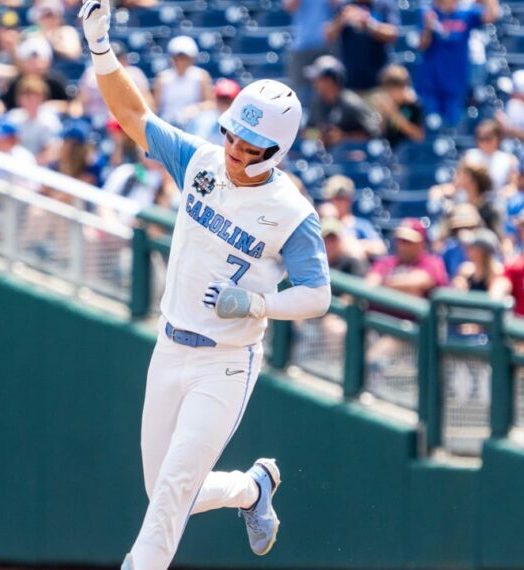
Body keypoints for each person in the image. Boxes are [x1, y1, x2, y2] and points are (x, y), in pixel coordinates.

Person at [79, 0, 331, 566]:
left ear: (279, 151)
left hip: (225, 361)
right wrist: (101, 48)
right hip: (171, 346)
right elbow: (133, 115)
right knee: (163, 491)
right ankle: (250, 488)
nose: (238, 152)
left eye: (251, 147)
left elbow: (318, 295)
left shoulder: (291, 211)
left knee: (170, 497)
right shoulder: (202, 162)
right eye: (233, 137)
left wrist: (261, 303)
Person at [415, 0, 500, 128]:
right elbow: (421, 46)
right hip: (430, 82)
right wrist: (427, 27)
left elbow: (491, 16)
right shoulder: (427, 12)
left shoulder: (465, 14)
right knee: (429, 126)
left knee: (452, 127)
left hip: (455, 82)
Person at [324, 0, 400, 94]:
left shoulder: (383, 5)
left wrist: (369, 24)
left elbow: (393, 34)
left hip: (379, 82)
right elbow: (328, 36)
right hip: (350, 83)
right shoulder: (344, 6)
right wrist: (341, 20)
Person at [304, 55, 382, 145]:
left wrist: (345, 136)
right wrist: (319, 135)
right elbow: (306, 132)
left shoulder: (351, 103)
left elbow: (375, 135)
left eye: (317, 79)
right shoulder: (316, 103)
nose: (314, 83)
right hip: (325, 156)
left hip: (353, 156)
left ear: (330, 80)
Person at [75, 41, 155, 127]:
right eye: (111, 57)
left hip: (126, 123)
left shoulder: (135, 74)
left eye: (118, 57)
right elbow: (79, 102)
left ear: (125, 59)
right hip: (95, 121)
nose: (114, 61)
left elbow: (148, 103)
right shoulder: (91, 74)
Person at [365, 218, 449, 298]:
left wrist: (383, 283)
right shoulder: (386, 262)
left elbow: (418, 282)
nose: (403, 246)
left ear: (421, 244)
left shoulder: (432, 262)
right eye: (400, 240)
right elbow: (370, 285)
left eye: (408, 242)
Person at [323, 174, 388, 260]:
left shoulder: (362, 224)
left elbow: (380, 248)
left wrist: (357, 246)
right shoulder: (322, 222)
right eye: (337, 198)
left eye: (344, 197)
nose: (341, 202)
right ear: (329, 200)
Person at [153, 36, 214, 125]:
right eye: (178, 57)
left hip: (194, 124)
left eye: (184, 57)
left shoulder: (201, 76)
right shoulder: (162, 78)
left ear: (192, 58)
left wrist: (196, 108)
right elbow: (155, 106)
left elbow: (211, 103)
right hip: (167, 124)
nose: (180, 61)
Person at [4, 76, 63, 165]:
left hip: (39, 170)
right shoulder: (13, 117)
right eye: (26, 95)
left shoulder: (49, 120)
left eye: (35, 95)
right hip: (13, 165)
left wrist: (32, 165)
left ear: (42, 97)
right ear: (19, 98)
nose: (31, 99)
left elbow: (53, 151)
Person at [285, 0, 334, 108]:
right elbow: (289, 6)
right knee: (299, 92)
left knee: (326, 91)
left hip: (326, 45)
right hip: (301, 46)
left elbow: (339, 5)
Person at [0, 36, 71, 109]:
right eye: (30, 60)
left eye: (39, 59)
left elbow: (70, 106)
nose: (35, 64)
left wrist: (48, 107)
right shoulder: (15, 84)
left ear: (48, 61)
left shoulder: (56, 82)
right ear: (22, 62)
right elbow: (4, 104)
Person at [374, 64, 425, 149]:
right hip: (390, 153)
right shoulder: (387, 103)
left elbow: (418, 136)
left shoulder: (415, 105)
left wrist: (393, 113)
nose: (390, 93)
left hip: (410, 154)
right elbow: (382, 134)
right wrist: (382, 115)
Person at [463, 119, 518, 192]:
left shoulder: (509, 160)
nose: (484, 142)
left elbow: (513, 186)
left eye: (488, 138)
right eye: (481, 138)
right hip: (471, 200)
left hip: (498, 200)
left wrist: (507, 191)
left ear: (498, 139)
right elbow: (459, 182)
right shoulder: (469, 156)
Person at [187, 79, 242, 146]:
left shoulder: (242, 128)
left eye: (228, 101)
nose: (224, 105)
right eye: (221, 100)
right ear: (215, 99)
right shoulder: (201, 121)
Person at [452, 228, 503, 292]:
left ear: (482, 252)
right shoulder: (466, 271)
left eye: (472, 247)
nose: (467, 250)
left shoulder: (497, 272)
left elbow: (494, 297)